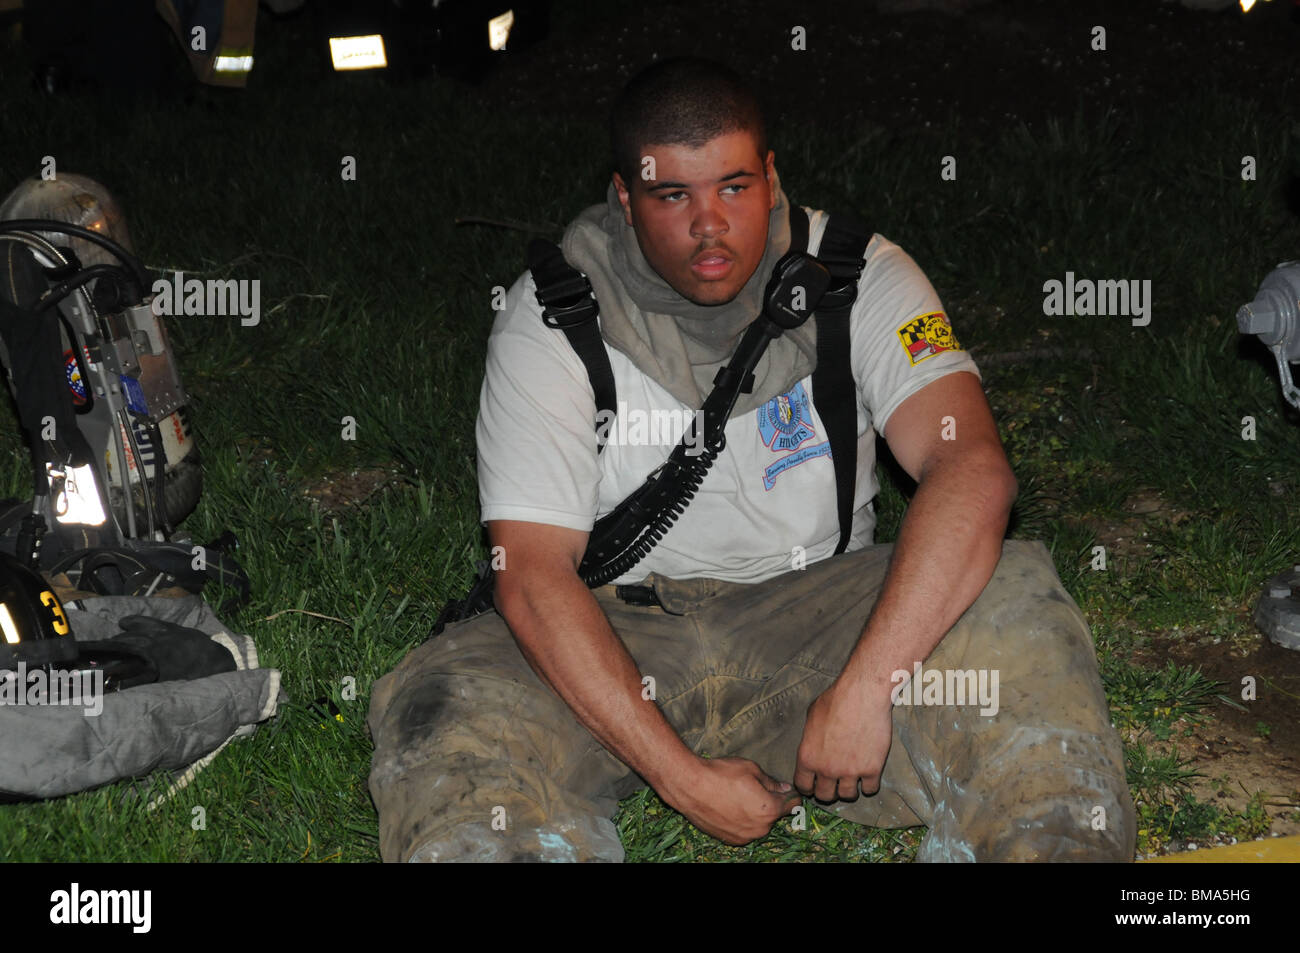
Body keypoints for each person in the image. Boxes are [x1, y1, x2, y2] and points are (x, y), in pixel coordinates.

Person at [367, 56, 1135, 863]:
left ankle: (1049, 843)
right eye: (673, 195)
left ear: (772, 176)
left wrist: (868, 689)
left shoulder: (861, 275)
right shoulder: (550, 317)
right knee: (449, 714)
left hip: (825, 616)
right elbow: (530, 570)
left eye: (735, 187)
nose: (711, 226)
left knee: (1008, 597)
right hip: (619, 636)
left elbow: (972, 470)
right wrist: (684, 779)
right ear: (625, 199)